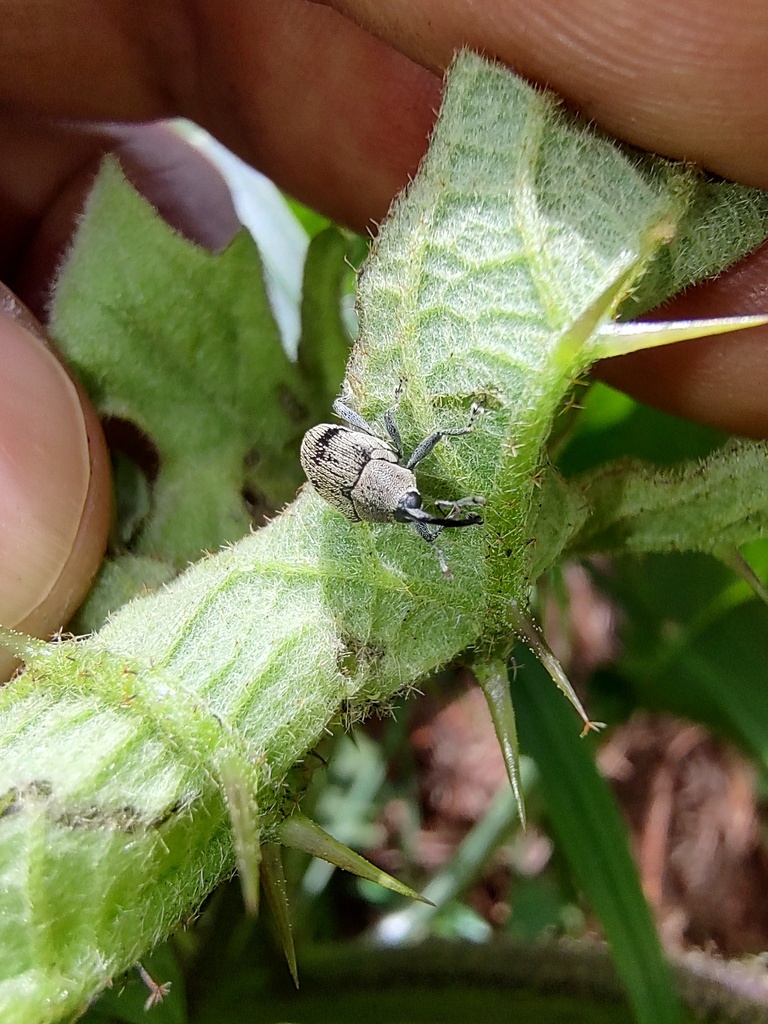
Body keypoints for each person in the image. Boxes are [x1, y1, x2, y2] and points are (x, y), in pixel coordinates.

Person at [2, 0, 766, 665]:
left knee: (391, 456)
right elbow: (362, 454)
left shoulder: (386, 483)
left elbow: (376, 462)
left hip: (347, 457)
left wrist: (404, 492)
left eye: (406, 500)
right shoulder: (378, 485)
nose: (413, 500)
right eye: (407, 498)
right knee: (389, 449)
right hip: (341, 456)